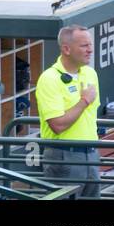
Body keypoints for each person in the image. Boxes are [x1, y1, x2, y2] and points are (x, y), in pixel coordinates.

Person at [36, 25, 100, 198]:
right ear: (66, 49)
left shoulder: (90, 74)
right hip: (63, 155)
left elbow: (91, 117)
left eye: (90, 45)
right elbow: (57, 125)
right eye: (84, 46)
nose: (90, 50)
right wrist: (84, 100)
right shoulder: (49, 78)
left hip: (92, 154)